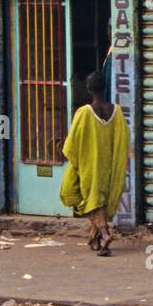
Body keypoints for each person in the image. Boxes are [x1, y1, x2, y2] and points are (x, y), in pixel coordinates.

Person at [59, 72, 130, 257]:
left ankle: (105, 233)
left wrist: (68, 153)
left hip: (90, 166)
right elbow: (124, 140)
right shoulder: (118, 112)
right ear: (105, 87)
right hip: (110, 166)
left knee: (78, 196)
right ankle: (96, 240)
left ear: (88, 89)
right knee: (99, 202)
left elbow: (72, 144)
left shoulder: (84, 112)